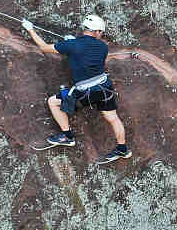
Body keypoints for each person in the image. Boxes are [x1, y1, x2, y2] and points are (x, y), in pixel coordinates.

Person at [25, 14, 129, 163]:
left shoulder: (72, 46)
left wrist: (31, 30)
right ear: (97, 32)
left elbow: (43, 47)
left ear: (85, 29)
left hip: (85, 92)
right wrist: (72, 44)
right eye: (101, 33)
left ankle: (67, 136)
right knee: (112, 117)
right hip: (104, 88)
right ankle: (122, 149)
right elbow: (87, 56)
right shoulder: (103, 47)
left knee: (53, 102)